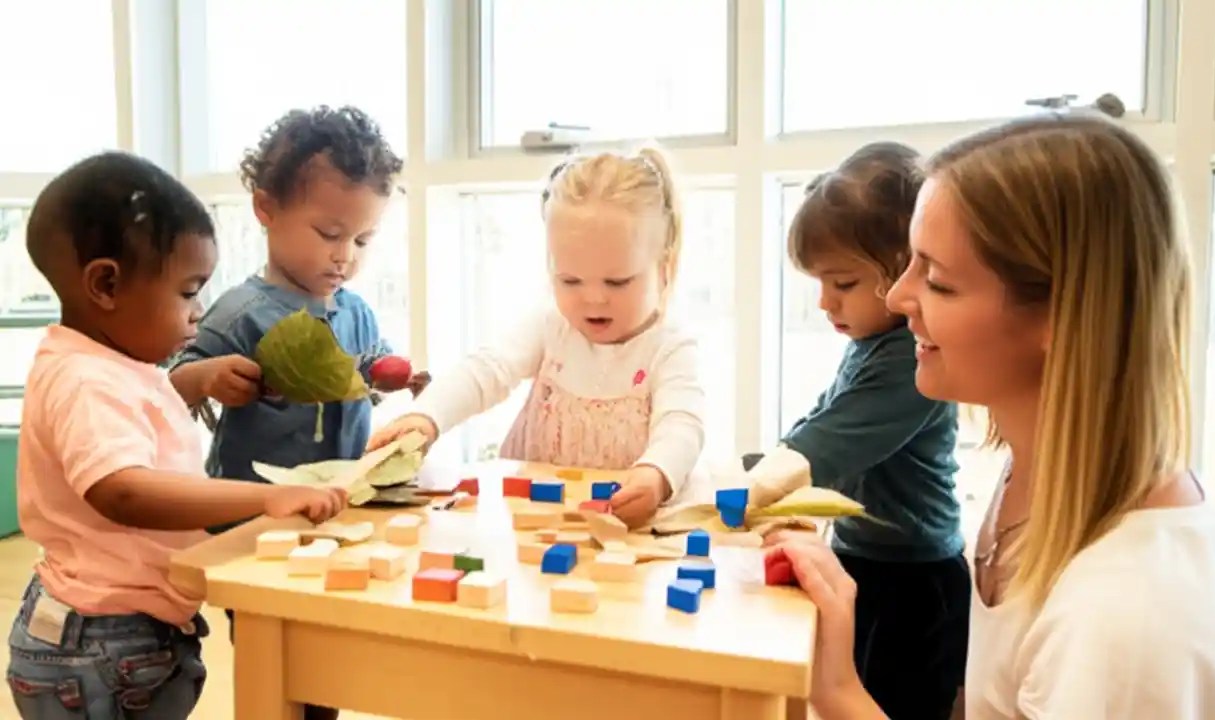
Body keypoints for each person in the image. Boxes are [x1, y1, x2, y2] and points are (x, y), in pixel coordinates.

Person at [773, 113, 1215, 719]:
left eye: (937, 280)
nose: (900, 296)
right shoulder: (1032, 483)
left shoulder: (1123, 619)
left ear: (1059, 316)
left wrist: (840, 693)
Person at [7, 152, 346, 720]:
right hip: (101, 645)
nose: (200, 312)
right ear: (107, 285)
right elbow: (125, 489)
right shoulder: (87, 381)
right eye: (189, 292)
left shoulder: (96, 360)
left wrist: (193, 381)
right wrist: (266, 498)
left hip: (104, 636)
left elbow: (136, 417)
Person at [169, 105, 416, 720]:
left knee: (325, 662)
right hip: (256, 522)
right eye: (329, 235)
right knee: (270, 659)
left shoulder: (355, 310)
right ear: (266, 209)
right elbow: (170, 386)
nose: (345, 257)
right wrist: (208, 377)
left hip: (337, 511)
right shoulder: (239, 313)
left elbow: (372, 372)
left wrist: (400, 378)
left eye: (362, 240)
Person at [368, 147, 704, 528]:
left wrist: (656, 474)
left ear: (666, 267)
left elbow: (682, 425)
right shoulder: (550, 327)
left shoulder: (670, 348)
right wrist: (426, 417)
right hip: (542, 525)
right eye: (570, 280)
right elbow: (486, 370)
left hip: (630, 528)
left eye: (617, 281)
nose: (593, 297)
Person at [747, 143, 967, 718]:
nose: (824, 302)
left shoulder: (906, 360)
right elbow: (814, 423)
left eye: (842, 282)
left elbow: (828, 444)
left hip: (916, 582)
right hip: (864, 557)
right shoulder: (869, 347)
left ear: (902, 269)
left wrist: (732, 498)